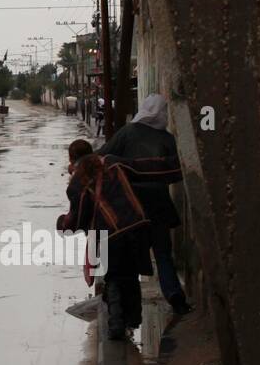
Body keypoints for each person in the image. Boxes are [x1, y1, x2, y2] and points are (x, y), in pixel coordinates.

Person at [97, 93, 194, 316]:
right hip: (158, 205)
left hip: (130, 207)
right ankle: (175, 297)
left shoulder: (127, 132)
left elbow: (102, 156)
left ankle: (124, 307)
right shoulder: (167, 139)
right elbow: (177, 169)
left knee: (129, 256)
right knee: (162, 253)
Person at [60, 139, 152, 340]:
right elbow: (142, 169)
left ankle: (117, 324)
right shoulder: (112, 162)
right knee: (131, 275)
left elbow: (78, 217)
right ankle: (133, 320)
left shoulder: (77, 183)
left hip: (109, 234)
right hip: (136, 225)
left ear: (71, 159)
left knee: (114, 278)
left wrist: (63, 224)